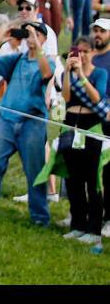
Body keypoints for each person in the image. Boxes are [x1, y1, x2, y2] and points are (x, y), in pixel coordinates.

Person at [0, 21, 56, 226]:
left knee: (34, 171)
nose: (31, 38)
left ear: (44, 39)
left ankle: (40, 218)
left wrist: (37, 46)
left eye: (36, 34)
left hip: (32, 123)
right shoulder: (17, 59)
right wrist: (0, 41)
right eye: (29, 34)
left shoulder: (48, 61)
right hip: (6, 120)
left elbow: (47, 74)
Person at [55, 37, 107, 242]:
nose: (82, 56)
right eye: (79, 51)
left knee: (91, 179)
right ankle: (78, 223)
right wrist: (68, 72)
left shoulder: (100, 73)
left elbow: (97, 98)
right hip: (71, 124)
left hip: (91, 126)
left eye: (86, 52)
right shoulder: (70, 74)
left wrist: (82, 77)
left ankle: (94, 229)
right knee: (73, 179)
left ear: (92, 53)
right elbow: (66, 97)